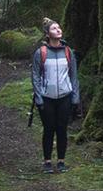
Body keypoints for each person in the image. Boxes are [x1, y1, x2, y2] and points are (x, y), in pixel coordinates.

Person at [31, 18, 81, 173]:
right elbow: (35, 76)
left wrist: (75, 97)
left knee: (62, 129)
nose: (58, 30)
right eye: (54, 28)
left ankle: (61, 161)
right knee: (48, 129)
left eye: (59, 28)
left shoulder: (68, 52)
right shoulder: (41, 53)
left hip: (65, 97)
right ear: (47, 34)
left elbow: (74, 76)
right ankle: (47, 162)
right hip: (46, 98)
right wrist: (38, 97)